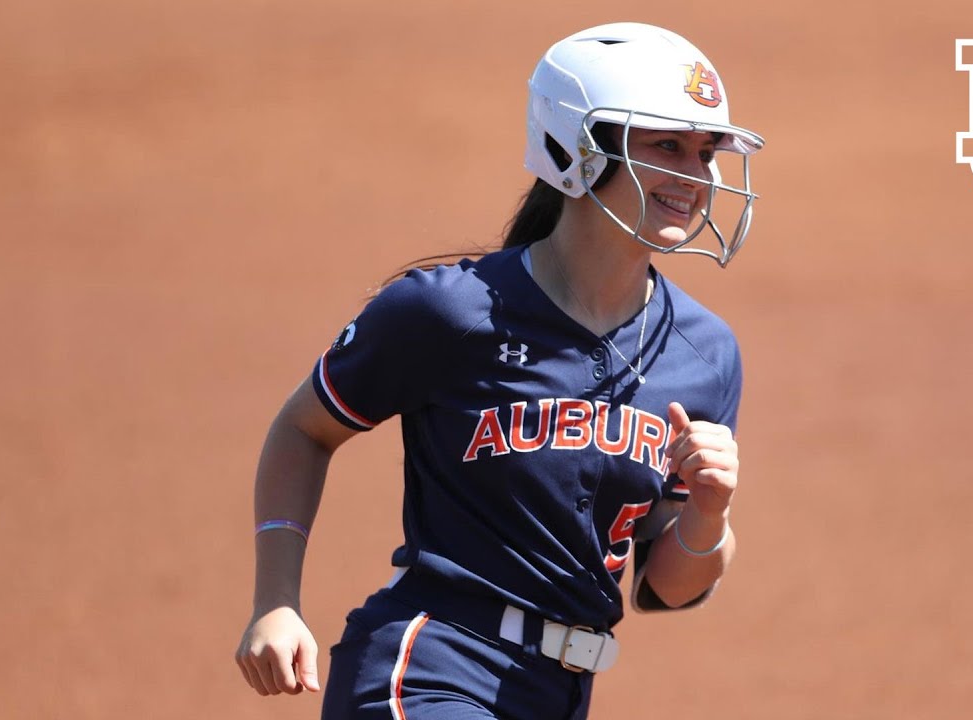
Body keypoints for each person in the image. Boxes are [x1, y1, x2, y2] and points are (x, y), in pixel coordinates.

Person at [235, 21, 765, 720]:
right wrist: (276, 601)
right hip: (429, 669)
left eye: (705, 153)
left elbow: (667, 586)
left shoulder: (703, 352)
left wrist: (710, 510)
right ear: (580, 147)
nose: (693, 177)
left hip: (555, 697)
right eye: (666, 146)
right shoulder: (451, 311)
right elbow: (305, 429)